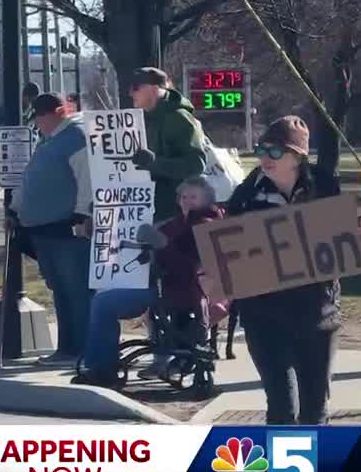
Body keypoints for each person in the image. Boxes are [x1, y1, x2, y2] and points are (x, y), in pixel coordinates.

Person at [217, 116, 361, 472]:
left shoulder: (324, 185)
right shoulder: (248, 192)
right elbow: (226, 241)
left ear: (296, 156)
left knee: (314, 407)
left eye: (274, 152)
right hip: (264, 316)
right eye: (262, 150)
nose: (264, 159)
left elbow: (342, 238)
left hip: (318, 314)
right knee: (281, 406)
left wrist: (360, 232)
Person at [74, 177, 222, 388]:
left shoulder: (206, 226)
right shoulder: (177, 223)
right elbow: (143, 241)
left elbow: (189, 268)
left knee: (104, 304)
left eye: (193, 197)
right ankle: (98, 365)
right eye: (183, 196)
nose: (187, 201)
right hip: (157, 285)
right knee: (101, 300)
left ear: (206, 200)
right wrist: (105, 223)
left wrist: (161, 246)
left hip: (181, 291)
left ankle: (100, 367)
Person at [13, 93, 93, 364]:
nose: (37, 122)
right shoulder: (49, 142)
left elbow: (88, 179)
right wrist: (15, 209)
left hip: (68, 230)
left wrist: (83, 214)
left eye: (40, 116)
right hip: (45, 231)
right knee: (61, 290)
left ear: (58, 112)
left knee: (76, 291)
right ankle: (66, 349)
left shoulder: (76, 138)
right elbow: (29, 181)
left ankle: (80, 349)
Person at [127, 68, 207, 222]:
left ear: (154, 89)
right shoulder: (141, 119)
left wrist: (155, 163)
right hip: (146, 211)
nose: (131, 93)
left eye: (135, 88)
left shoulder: (179, 118)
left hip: (172, 215)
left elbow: (196, 165)